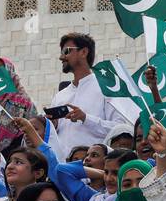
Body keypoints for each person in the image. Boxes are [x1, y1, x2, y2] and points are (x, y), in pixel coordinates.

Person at [47, 32, 123, 161]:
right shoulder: (60, 96)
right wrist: (52, 126)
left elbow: (120, 130)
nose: (61, 57)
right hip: (62, 169)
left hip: (95, 170)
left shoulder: (106, 87)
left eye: (66, 51)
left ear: (83, 52)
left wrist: (86, 118)